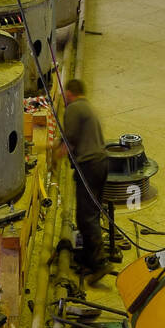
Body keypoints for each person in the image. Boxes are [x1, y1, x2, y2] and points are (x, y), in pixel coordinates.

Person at [58, 78, 113, 282]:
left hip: (89, 165)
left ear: (70, 93)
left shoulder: (74, 108)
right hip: (101, 163)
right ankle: (89, 258)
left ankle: (100, 263)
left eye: (65, 94)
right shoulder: (88, 108)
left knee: (86, 216)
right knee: (91, 212)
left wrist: (54, 158)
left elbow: (69, 140)